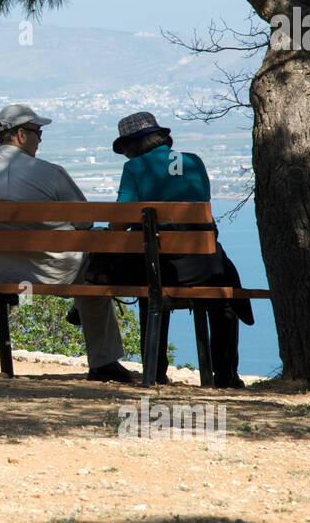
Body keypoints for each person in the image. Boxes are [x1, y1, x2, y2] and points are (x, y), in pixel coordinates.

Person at [0, 103, 135, 383]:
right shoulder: (52, 173)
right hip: (56, 274)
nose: (41, 138)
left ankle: (85, 319)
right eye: (37, 131)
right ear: (19, 134)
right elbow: (84, 223)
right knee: (96, 265)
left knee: (91, 267)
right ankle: (104, 364)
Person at [94, 111, 253, 388]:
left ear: (133, 146)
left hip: (158, 270)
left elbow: (118, 223)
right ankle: (226, 374)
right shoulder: (192, 161)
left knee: (149, 283)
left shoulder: (134, 169)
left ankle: (154, 371)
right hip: (204, 269)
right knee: (223, 291)